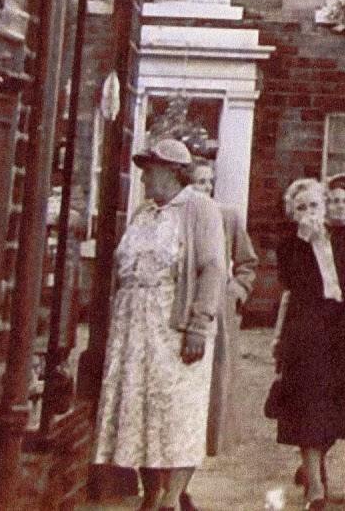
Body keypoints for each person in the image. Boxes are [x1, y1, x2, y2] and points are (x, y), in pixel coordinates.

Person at [93, 136, 226, 511]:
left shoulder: (199, 209)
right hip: (135, 329)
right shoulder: (143, 213)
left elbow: (213, 268)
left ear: (170, 171)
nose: (143, 179)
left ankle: (170, 497)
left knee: (179, 413)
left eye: (149, 171)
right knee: (143, 413)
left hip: (175, 326)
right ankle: (150, 495)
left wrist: (199, 325)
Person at [273, 178, 345, 508]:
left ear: (324, 208)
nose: (309, 213)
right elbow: (293, 285)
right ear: (292, 214)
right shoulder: (289, 246)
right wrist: (304, 243)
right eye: (301, 208)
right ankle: (314, 486)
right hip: (308, 333)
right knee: (308, 406)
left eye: (314, 206)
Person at [184, 157, 258, 511]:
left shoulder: (226, 217)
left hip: (217, 319)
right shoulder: (176, 218)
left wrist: (234, 292)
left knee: (209, 398)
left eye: (208, 184)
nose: (204, 190)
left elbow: (246, 264)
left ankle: (184, 482)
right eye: (198, 183)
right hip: (181, 315)